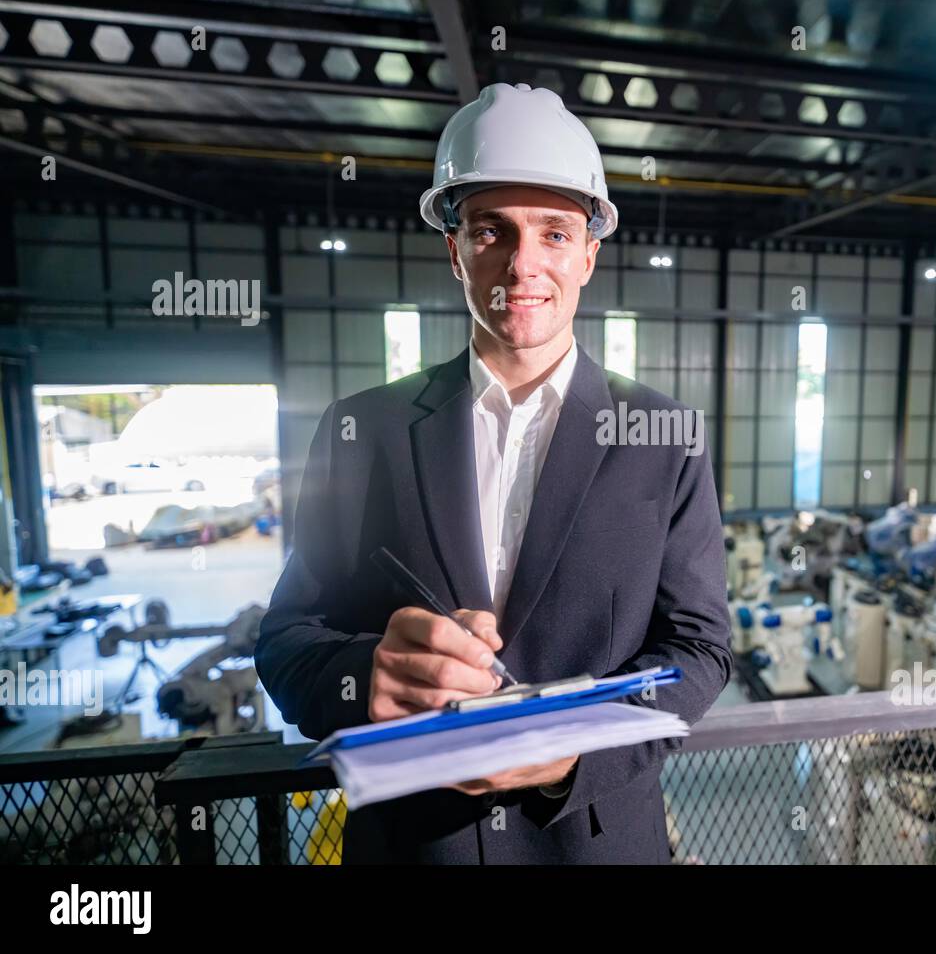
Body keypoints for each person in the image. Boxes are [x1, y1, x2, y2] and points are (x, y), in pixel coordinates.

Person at [255, 83, 732, 864]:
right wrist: (362, 675)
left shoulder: (662, 437)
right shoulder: (362, 431)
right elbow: (286, 641)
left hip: (594, 842)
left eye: (553, 233)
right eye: (491, 231)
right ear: (454, 249)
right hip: (415, 849)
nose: (523, 262)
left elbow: (700, 649)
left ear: (588, 253)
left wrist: (578, 750)